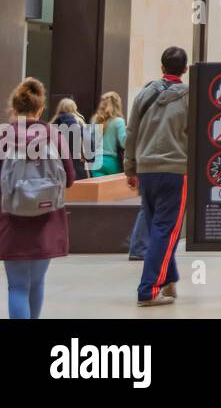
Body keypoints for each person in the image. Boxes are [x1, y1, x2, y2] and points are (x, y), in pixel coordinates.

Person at [0, 78, 76, 319]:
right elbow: (69, 178)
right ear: (41, 108)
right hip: (47, 218)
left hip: (10, 218)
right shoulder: (54, 135)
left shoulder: (4, 136)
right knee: (37, 283)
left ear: (13, 108)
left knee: (18, 285)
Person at [124, 47, 191, 307]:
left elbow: (132, 132)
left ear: (162, 67)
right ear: (184, 70)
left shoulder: (144, 93)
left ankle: (168, 278)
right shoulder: (190, 97)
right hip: (174, 171)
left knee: (158, 229)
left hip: (146, 170)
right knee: (166, 229)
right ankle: (148, 289)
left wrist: (130, 168)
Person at [91, 91, 128, 177]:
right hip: (111, 162)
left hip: (96, 162)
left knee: (97, 190)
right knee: (112, 190)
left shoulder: (95, 120)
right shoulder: (118, 121)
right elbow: (124, 143)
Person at [51, 98, 89, 181]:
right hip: (77, 161)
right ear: (74, 107)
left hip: (58, 162)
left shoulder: (53, 123)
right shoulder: (79, 121)